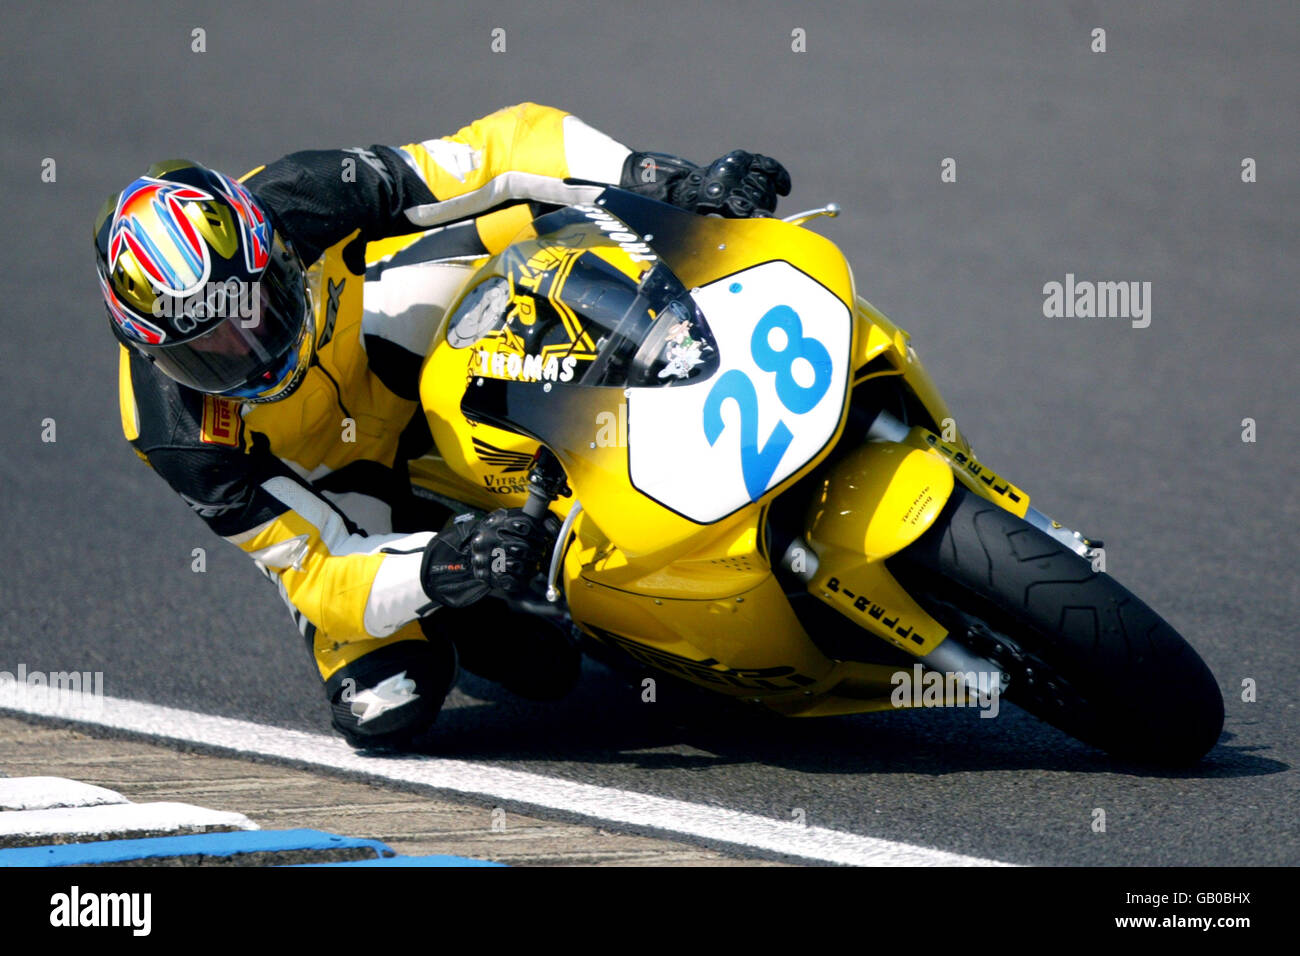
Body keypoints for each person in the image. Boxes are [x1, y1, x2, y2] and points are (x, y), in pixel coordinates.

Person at [94, 102, 791, 751]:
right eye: (208, 349)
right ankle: (481, 576)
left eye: (257, 305)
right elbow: (314, 566)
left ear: (273, 252)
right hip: (338, 485)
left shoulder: (301, 195)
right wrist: (446, 565)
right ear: (154, 349)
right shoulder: (178, 434)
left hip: (391, 333)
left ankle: (694, 335)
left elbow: (498, 149)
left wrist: (660, 179)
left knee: (534, 215)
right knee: (389, 702)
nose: (249, 344)